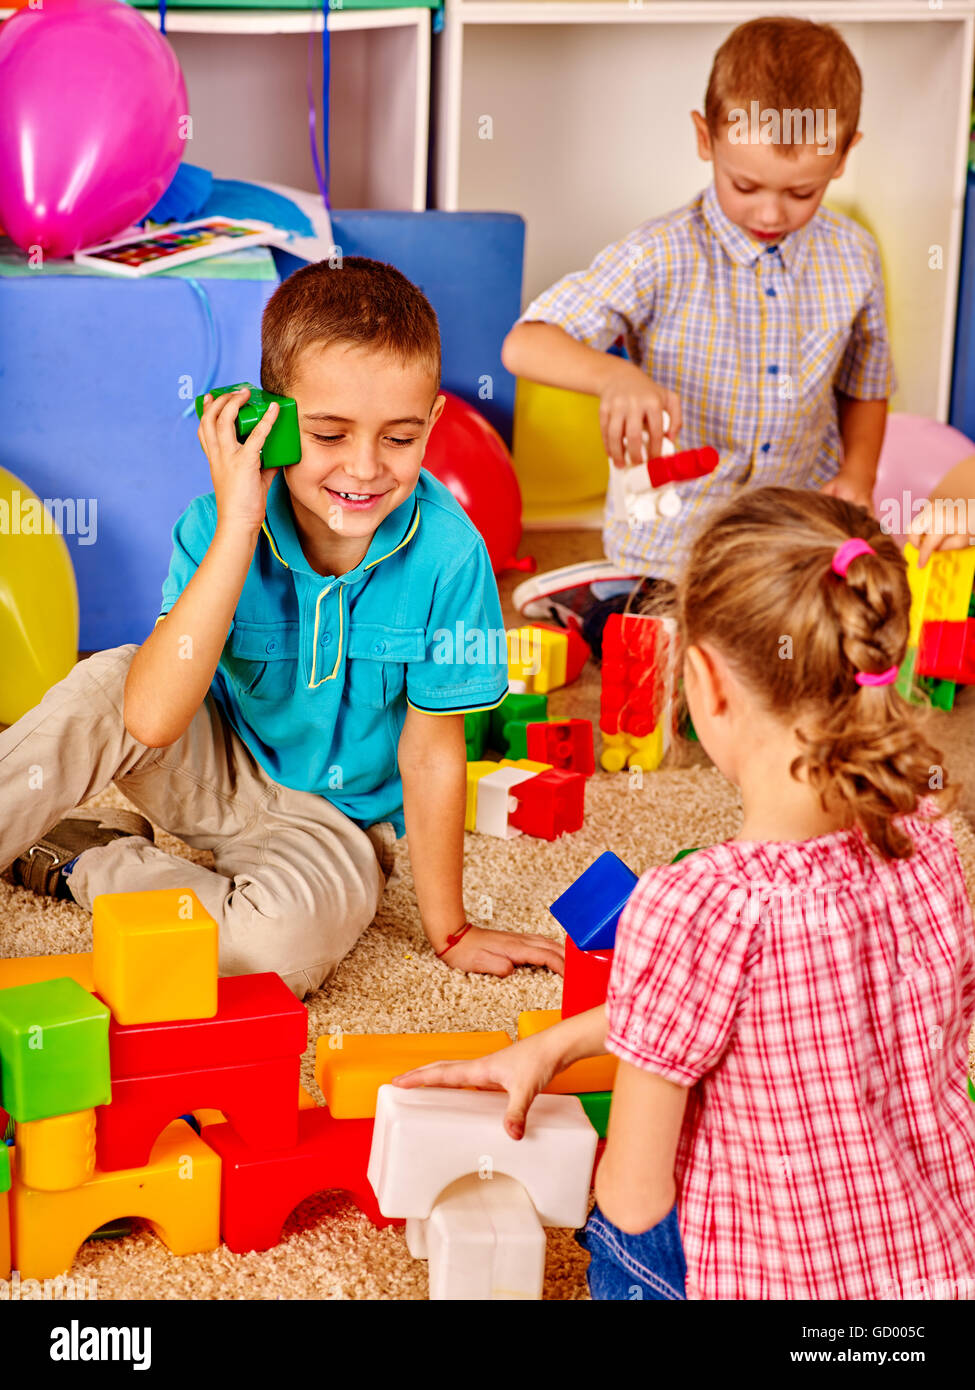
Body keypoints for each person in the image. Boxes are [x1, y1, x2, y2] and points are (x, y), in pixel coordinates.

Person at [395, 486, 975, 1300]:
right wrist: (556, 1044)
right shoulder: (930, 840)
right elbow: (804, 999)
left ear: (701, 680)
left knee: (614, 1230)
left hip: (764, 1282)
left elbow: (635, 1198)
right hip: (937, 1272)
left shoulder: (697, 902)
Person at [2, 257, 563, 997]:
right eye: (329, 434)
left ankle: (85, 856)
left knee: (269, 953)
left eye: (398, 438)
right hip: (210, 761)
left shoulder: (451, 555)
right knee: (107, 682)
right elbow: (153, 716)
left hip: (336, 823)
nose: (364, 469)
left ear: (432, 422)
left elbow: (430, 756)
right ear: (274, 420)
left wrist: (450, 929)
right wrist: (238, 522)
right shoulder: (213, 524)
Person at [503, 17, 893, 656]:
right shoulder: (661, 253)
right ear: (705, 138)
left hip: (788, 526)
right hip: (674, 532)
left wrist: (858, 475)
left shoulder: (855, 257)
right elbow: (524, 344)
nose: (771, 214)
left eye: (803, 191)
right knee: (684, 648)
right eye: (745, 186)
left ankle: (684, 611)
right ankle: (613, 603)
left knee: (837, 637)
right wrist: (616, 374)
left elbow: (866, 382)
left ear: (845, 153)